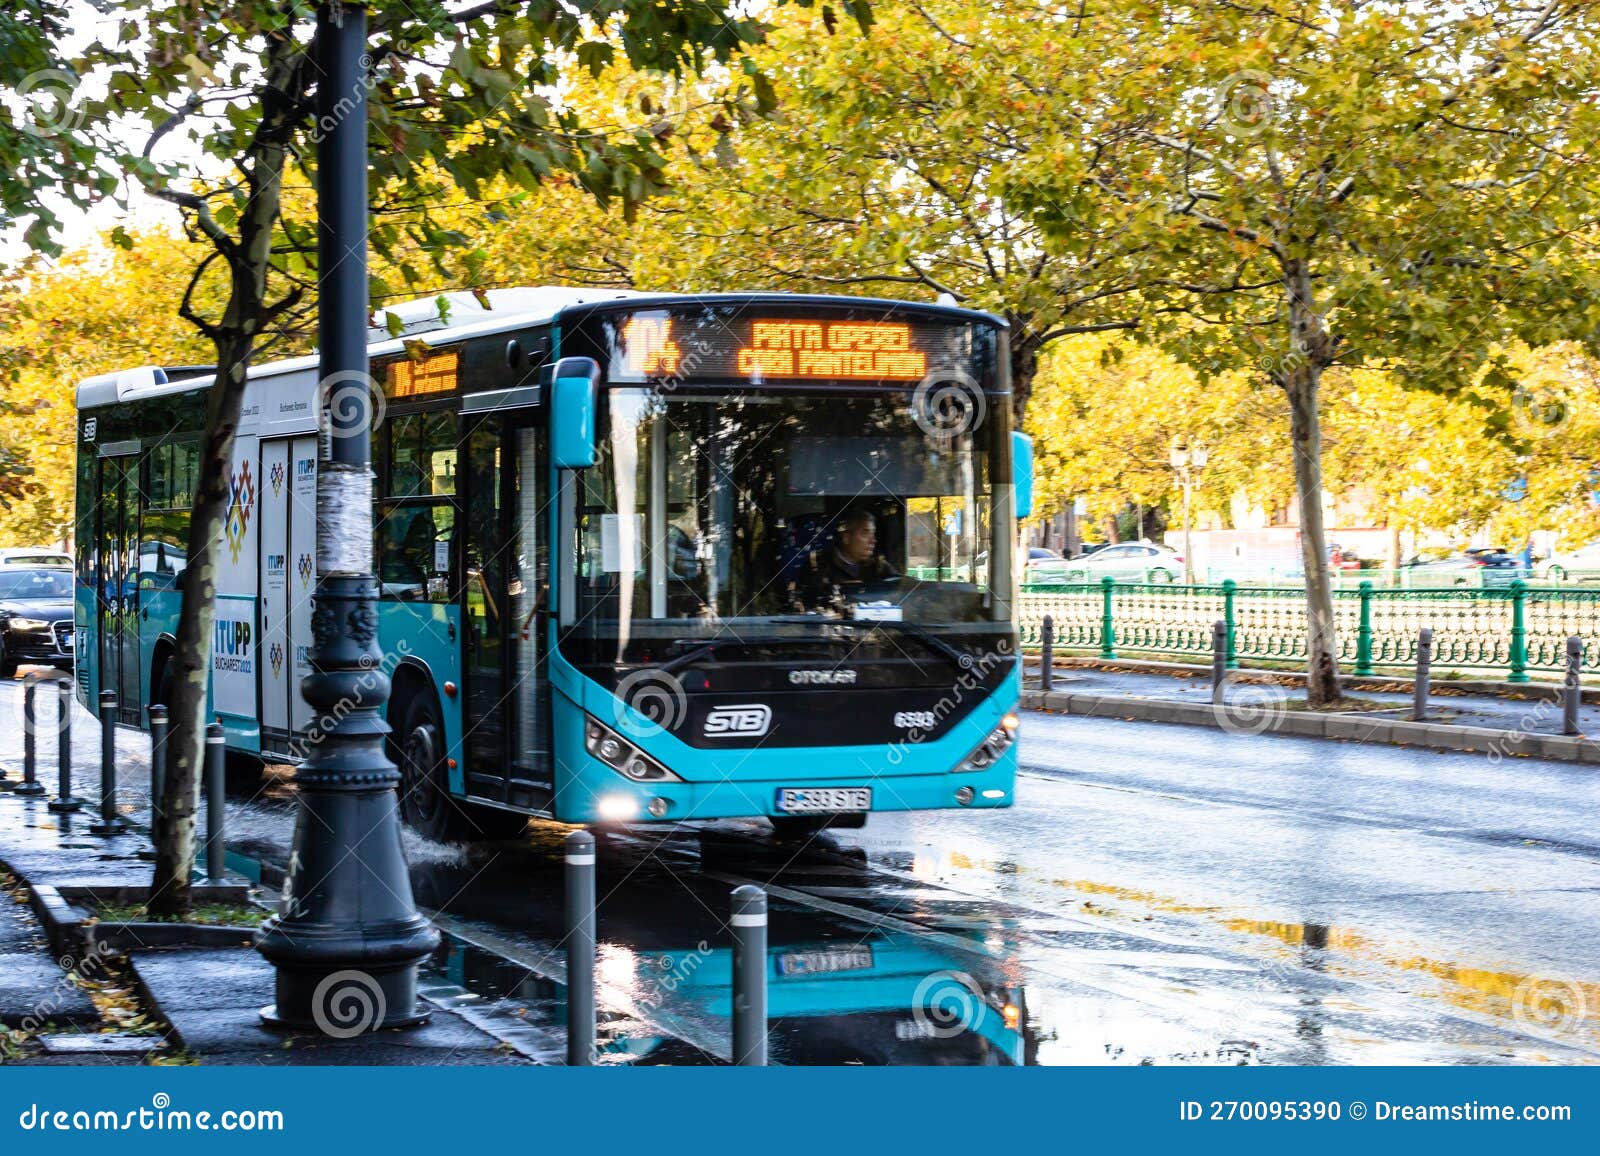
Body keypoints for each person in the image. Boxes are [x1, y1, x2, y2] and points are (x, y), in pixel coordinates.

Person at [799, 507, 899, 601]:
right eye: (865, 533)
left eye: (873, 533)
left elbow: (899, 589)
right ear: (846, 538)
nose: (873, 540)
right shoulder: (818, 565)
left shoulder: (879, 566)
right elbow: (810, 601)